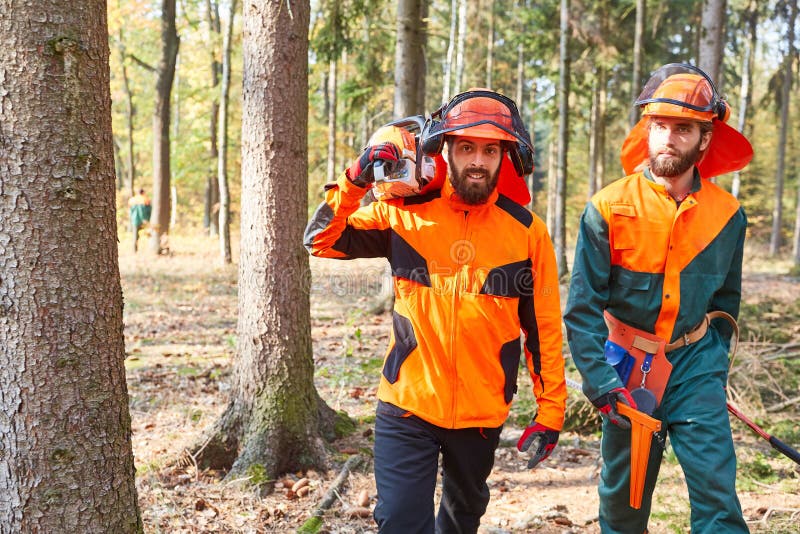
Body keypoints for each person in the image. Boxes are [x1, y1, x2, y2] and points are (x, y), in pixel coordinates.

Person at [305, 89, 566, 533]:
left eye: (489, 149)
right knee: (401, 522)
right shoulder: (402, 214)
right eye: (466, 147)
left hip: (482, 413)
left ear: (506, 156)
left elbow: (543, 328)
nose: (477, 161)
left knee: (462, 521)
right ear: (445, 149)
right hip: (408, 404)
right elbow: (321, 240)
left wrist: (551, 413)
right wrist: (356, 179)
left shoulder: (527, 232)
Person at [564, 63, 753, 533]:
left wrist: (711, 365)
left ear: (705, 138)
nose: (669, 138)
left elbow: (726, 302)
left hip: (695, 365)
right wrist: (602, 381)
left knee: (716, 490)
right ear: (647, 128)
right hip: (627, 365)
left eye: (683, 128)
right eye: (660, 126)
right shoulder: (608, 207)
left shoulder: (728, 215)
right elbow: (582, 309)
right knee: (623, 502)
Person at [128, 188, 151, 253]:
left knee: (135, 236)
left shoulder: (132, 200)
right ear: (143, 192)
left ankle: (134, 250)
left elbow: (130, 211)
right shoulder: (146, 199)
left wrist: (131, 219)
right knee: (147, 235)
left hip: (134, 221)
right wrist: (146, 219)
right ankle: (146, 250)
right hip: (144, 221)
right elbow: (148, 211)